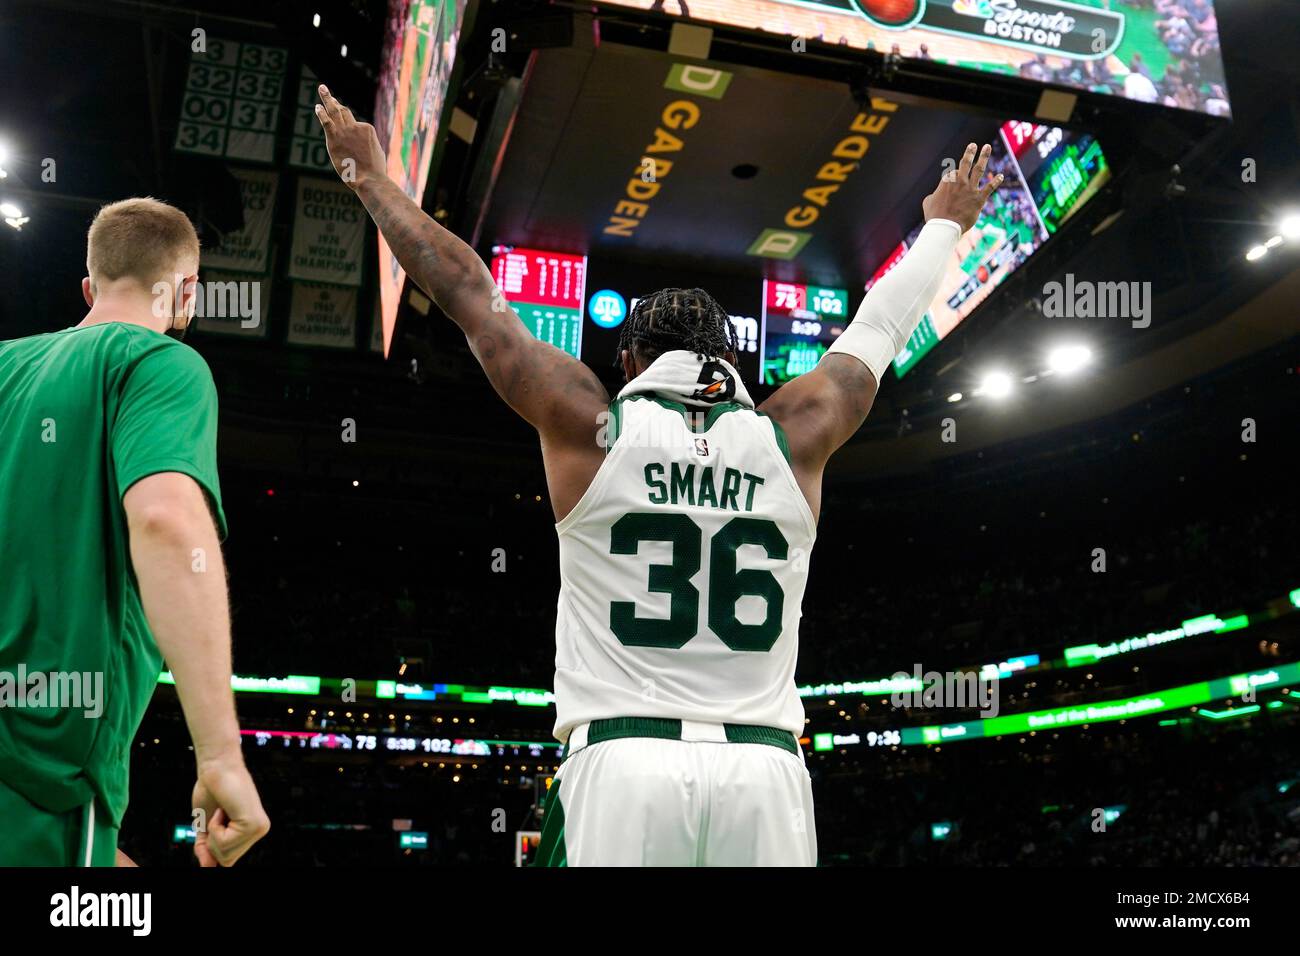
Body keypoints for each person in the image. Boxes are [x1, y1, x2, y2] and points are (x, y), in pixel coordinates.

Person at [314, 86, 998, 865]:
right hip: (766, 773)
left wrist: (370, 180)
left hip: (623, 766)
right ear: (731, 359)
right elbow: (878, 325)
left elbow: (471, 296)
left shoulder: (592, 424)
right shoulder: (797, 432)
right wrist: (945, 225)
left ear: (631, 360)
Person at [0, 198, 269, 866]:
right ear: (185, 294)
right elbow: (167, 520)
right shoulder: (160, 364)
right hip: (48, 773)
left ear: (89, 288)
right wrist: (220, 755)